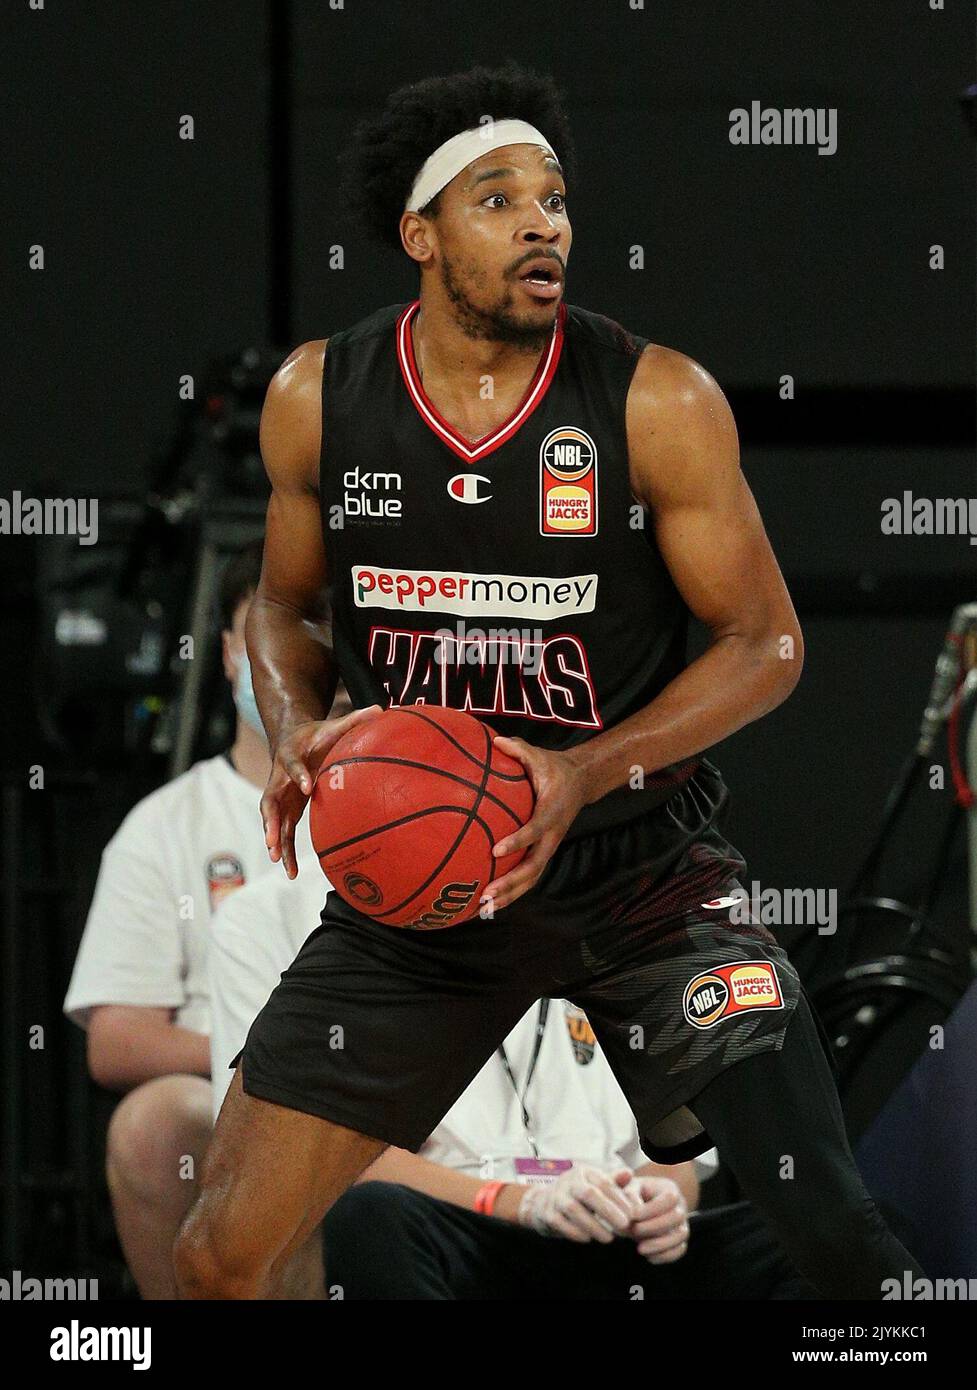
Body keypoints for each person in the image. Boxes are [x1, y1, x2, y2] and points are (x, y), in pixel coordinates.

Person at [174, 62, 925, 1300]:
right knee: (219, 1253)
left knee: (834, 1234)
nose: (543, 223)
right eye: (497, 198)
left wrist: (578, 770)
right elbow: (283, 600)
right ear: (419, 236)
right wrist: (301, 723)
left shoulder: (654, 399)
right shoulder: (320, 397)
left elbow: (766, 645)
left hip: (638, 878)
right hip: (421, 907)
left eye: (555, 198)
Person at [209, 864, 813, 1300]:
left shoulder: (596, 900)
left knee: (819, 1234)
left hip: (606, 1239)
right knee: (372, 1218)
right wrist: (517, 1204)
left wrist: (658, 1205)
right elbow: (306, 1162)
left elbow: (673, 1158)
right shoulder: (271, 919)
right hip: (461, 1229)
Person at [63, 540, 327, 1298]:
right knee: (155, 1123)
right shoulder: (165, 824)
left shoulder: (423, 809)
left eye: (323, 630)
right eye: (272, 629)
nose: (299, 654)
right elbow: (115, 1042)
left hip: (392, 1079)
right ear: (229, 652)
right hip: (236, 1089)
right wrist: (269, 1065)